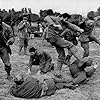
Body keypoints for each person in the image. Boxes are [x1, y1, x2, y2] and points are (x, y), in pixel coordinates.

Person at [43, 10, 84, 77]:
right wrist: (54, 25)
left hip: (56, 39)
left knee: (61, 56)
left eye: (67, 19)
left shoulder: (65, 23)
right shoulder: (55, 19)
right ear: (61, 16)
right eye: (65, 18)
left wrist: (79, 29)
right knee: (70, 44)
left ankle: (58, 72)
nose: (65, 20)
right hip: (53, 37)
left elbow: (72, 26)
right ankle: (81, 60)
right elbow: (46, 17)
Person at [10, 73, 76, 99]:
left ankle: (66, 85)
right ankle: (69, 82)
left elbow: (12, 90)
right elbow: (37, 80)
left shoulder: (18, 92)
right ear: (23, 79)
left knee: (56, 87)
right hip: (46, 85)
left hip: (44, 93)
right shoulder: (29, 80)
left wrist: (15, 86)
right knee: (54, 80)